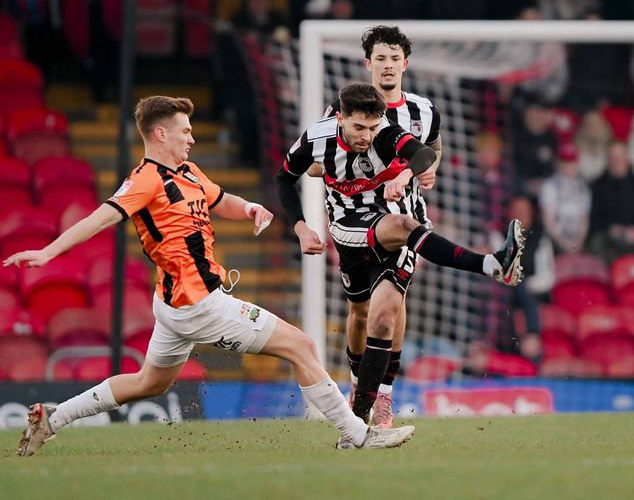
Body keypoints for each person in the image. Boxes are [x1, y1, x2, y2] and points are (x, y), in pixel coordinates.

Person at [9, 96, 414, 456]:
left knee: (149, 382)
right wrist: (48, 250)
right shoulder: (145, 180)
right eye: (185, 131)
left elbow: (222, 200)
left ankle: (52, 418)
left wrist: (252, 208)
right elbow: (100, 218)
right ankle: (356, 434)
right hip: (199, 302)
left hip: (172, 305)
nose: (191, 138)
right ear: (161, 132)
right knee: (301, 346)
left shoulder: (188, 172)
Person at [275, 83, 525, 446]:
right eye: (359, 128)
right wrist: (300, 226)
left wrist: (406, 174)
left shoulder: (386, 132)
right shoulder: (318, 136)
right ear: (340, 117)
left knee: (387, 306)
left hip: (390, 223)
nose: (367, 136)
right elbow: (285, 177)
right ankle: (358, 409)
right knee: (360, 314)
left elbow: (423, 155)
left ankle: (492, 265)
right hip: (347, 230)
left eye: (373, 128)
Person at [320, 26, 443, 428]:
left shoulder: (423, 111)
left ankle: (384, 397)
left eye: (395, 58)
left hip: (403, 221)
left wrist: (425, 172)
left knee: (391, 306)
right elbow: (320, 161)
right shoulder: (342, 111)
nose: (388, 65)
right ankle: (359, 384)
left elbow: (433, 149)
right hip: (354, 226)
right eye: (380, 58)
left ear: (405, 64)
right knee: (359, 312)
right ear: (367, 64)